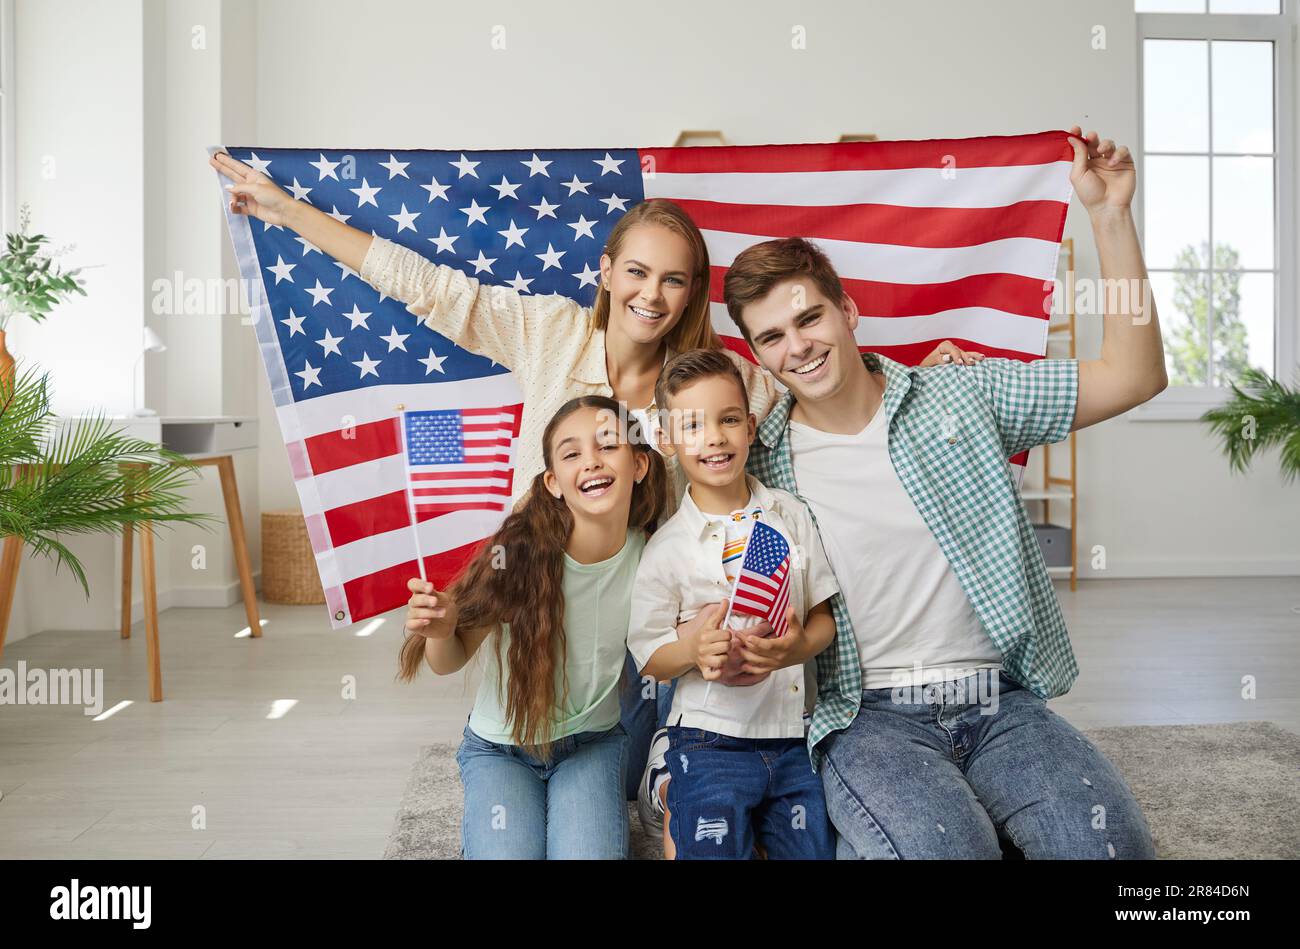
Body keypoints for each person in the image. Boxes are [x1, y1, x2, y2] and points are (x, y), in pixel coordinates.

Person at [717, 127, 1163, 859]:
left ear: (848, 312)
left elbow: (1133, 376)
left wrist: (1110, 215)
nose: (796, 345)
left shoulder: (961, 391)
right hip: (870, 716)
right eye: (771, 337)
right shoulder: (758, 461)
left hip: (1001, 700)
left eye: (808, 318)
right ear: (758, 354)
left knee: (1114, 851)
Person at [399, 395, 666, 858]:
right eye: (571, 454)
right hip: (501, 749)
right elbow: (450, 660)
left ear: (639, 464)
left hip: (593, 744)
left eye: (608, 445)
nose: (591, 462)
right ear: (553, 482)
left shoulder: (656, 555)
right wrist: (439, 632)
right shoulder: (518, 555)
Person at [628, 349, 839, 859]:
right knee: (713, 849)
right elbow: (650, 655)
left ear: (749, 427)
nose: (715, 437)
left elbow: (822, 620)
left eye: (727, 420)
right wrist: (694, 649)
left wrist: (793, 649)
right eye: (693, 425)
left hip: (792, 739)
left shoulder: (789, 516)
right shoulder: (666, 548)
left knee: (812, 849)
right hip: (708, 738)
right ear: (669, 440)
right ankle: (665, 773)